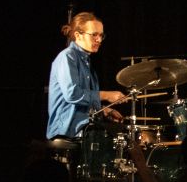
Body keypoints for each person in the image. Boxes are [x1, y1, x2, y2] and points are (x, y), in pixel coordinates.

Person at [45, 12, 126, 140]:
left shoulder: (86, 62)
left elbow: (82, 101)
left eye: (101, 35)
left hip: (82, 132)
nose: (99, 40)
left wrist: (104, 110)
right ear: (78, 35)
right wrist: (105, 95)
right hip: (66, 132)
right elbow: (72, 94)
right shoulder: (67, 57)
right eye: (94, 35)